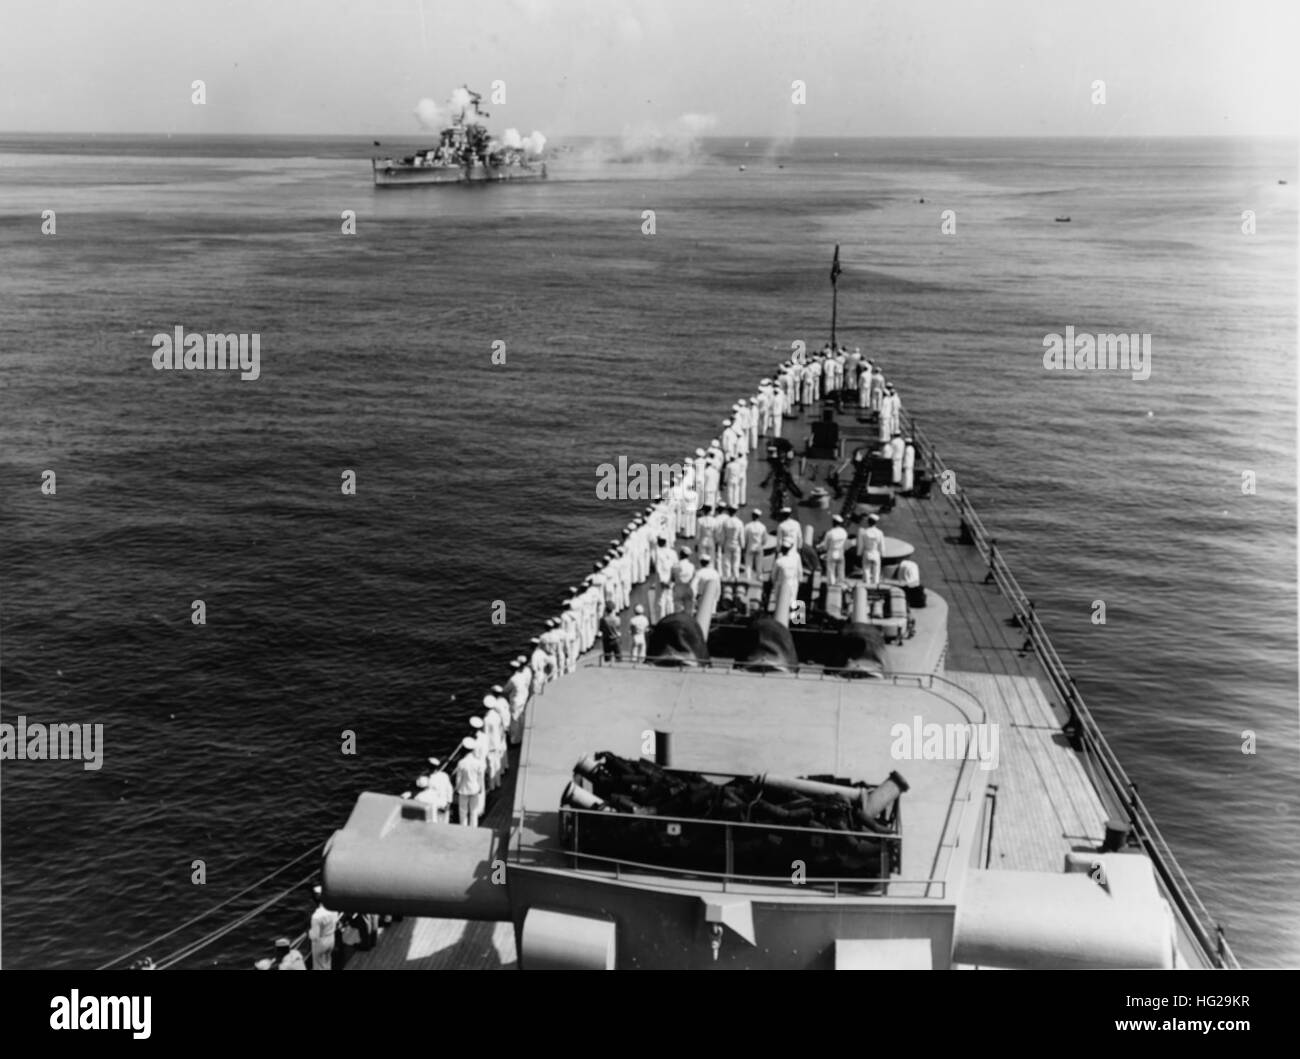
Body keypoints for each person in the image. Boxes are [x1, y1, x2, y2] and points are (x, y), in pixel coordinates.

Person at [454, 736, 486, 826]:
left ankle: (463, 827)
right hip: (474, 789)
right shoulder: (478, 763)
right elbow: (480, 778)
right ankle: (473, 828)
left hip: (463, 790)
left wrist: (456, 788)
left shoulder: (461, 763)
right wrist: (481, 789)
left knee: (463, 811)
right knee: (474, 811)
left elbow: (458, 779)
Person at [309, 885, 340, 971]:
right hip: (331, 938)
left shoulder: (316, 916)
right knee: (327, 961)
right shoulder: (333, 908)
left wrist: (309, 933)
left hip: (321, 942)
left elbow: (314, 936)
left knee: (318, 965)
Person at [821, 514, 848, 587]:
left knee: (831, 570)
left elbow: (826, 546)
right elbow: (845, 543)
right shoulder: (844, 532)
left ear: (834, 522)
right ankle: (840, 583)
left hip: (832, 552)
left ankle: (831, 584)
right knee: (841, 570)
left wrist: (825, 549)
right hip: (840, 552)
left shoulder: (830, 533)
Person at [860, 513, 885, 586]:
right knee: (876, 572)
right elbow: (881, 545)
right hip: (875, 553)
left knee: (866, 570)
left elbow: (861, 545)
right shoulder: (879, 532)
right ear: (876, 523)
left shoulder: (864, 532)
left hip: (867, 552)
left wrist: (860, 553)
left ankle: (867, 586)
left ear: (868, 522)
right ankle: (875, 586)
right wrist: (882, 554)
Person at [742, 508, 767, 579]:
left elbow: (745, 538)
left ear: (752, 516)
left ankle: (748, 578)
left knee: (748, 564)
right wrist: (761, 544)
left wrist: (744, 547)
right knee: (759, 564)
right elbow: (764, 539)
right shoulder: (762, 526)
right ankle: (759, 578)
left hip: (750, 547)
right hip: (759, 547)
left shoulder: (748, 526)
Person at [428, 757, 453, 822]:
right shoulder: (445, 775)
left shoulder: (430, 779)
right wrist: (449, 803)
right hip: (444, 804)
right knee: (445, 823)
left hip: (435, 806)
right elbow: (450, 789)